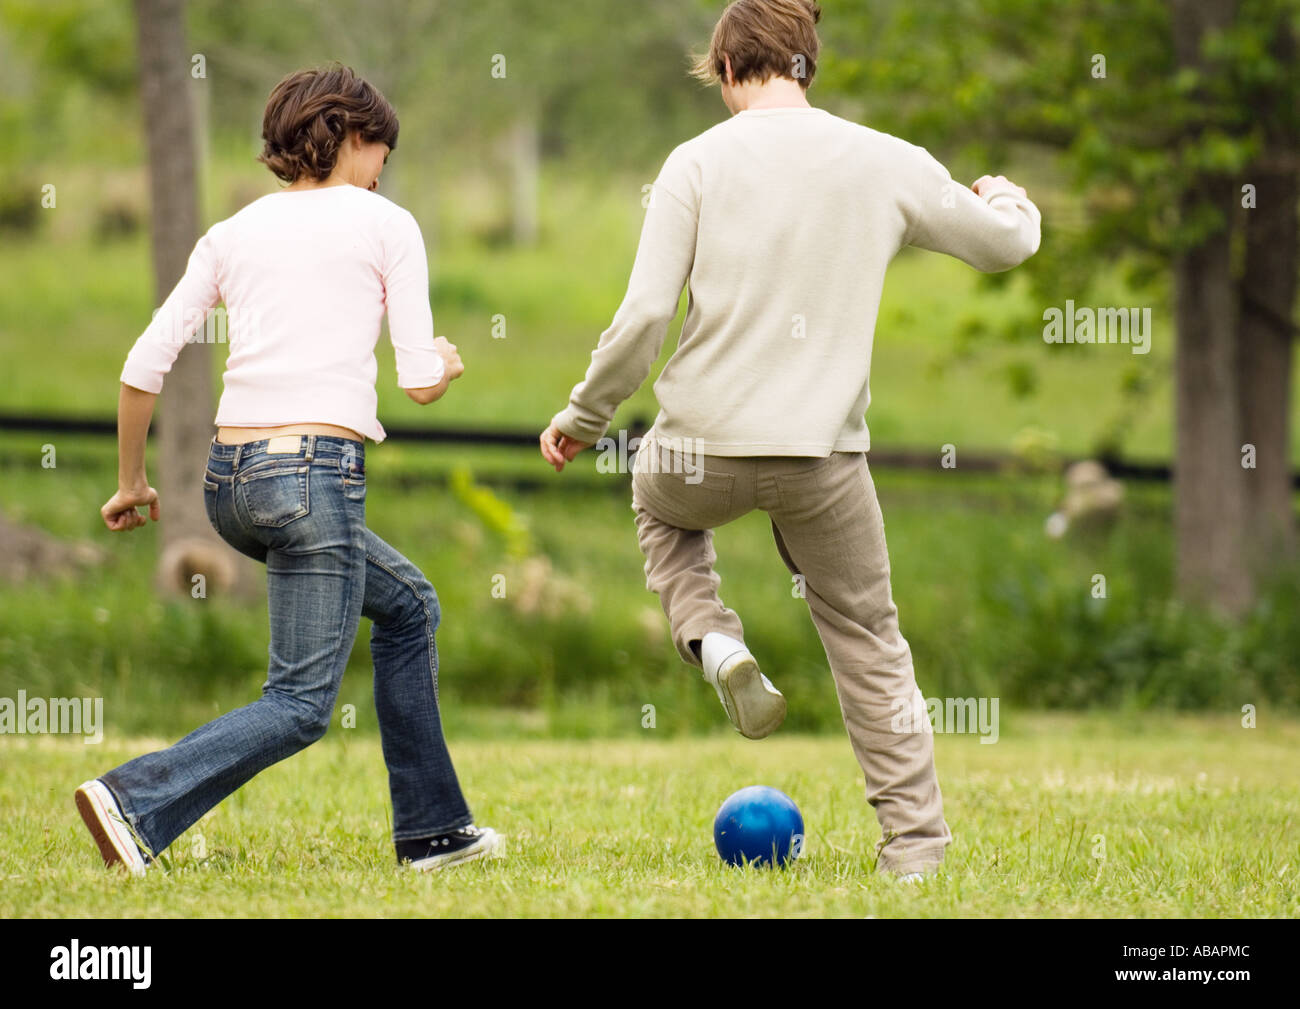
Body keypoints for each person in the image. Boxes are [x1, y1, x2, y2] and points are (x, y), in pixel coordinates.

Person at [539, 0, 1041, 879]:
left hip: (697, 451)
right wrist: (1007, 198)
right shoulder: (883, 159)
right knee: (868, 640)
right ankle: (916, 847)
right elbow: (1003, 245)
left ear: (729, 68)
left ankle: (713, 637)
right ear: (808, 64)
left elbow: (647, 313)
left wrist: (582, 417)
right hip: (821, 459)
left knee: (660, 513)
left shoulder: (694, 162)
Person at [78, 65, 501, 875]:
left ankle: (433, 830)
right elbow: (416, 380)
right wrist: (447, 361)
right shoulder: (387, 224)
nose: (384, 172)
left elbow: (142, 363)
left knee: (409, 606)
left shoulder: (232, 232)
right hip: (312, 477)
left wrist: (132, 481)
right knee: (302, 705)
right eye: (382, 151)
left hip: (229, 482)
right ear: (348, 137)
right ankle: (134, 799)